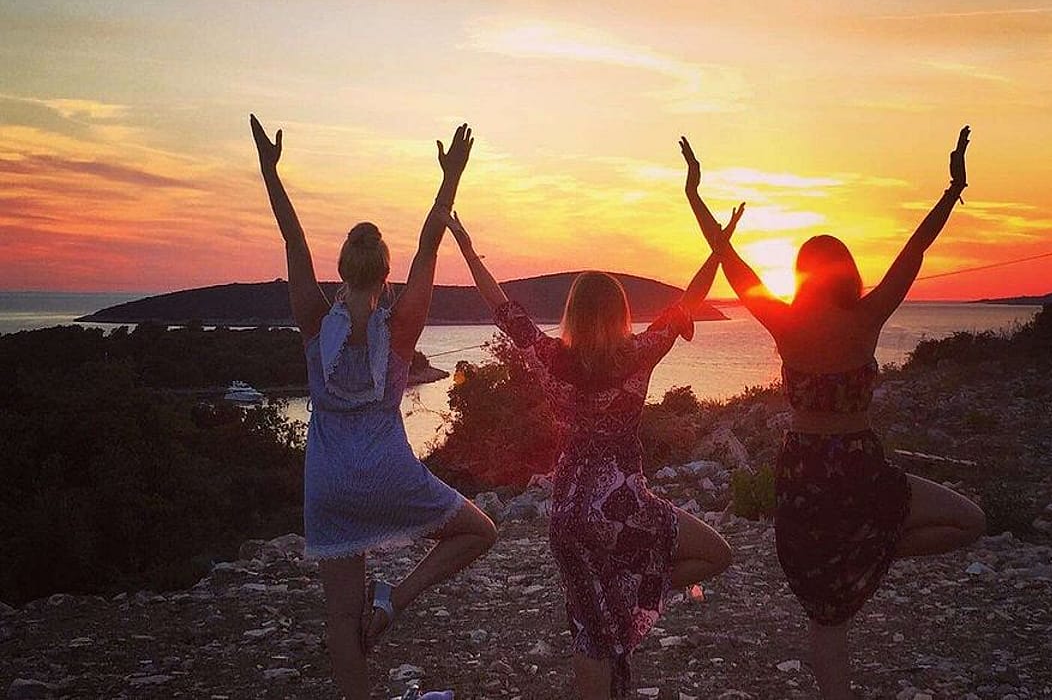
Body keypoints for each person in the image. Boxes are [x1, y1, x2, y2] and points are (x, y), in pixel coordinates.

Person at [683, 127, 986, 699]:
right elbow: (913, 252)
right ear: (846, 272)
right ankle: (871, 551)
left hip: (804, 473)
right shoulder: (866, 317)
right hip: (857, 470)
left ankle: (867, 557)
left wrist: (695, 194)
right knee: (968, 521)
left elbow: (727, 259)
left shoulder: (784, 321)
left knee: (827, 616)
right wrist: (952, 190)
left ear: (802, 274)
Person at [442, 209, 739, 699]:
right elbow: (689, 299)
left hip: (567, 514)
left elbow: (502, 307)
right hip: (624, 506)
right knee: (716, 553)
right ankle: (630, 597)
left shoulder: (550, 357)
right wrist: (718, 248)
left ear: (573, 315)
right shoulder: (638, 353)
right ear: (620, 314)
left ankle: (620, 605)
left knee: (588, 626)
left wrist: (469, 249)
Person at [251, 115, 497, 700]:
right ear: (387, 275)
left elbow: (293, 242)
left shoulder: (316, 325)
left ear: (342, 271)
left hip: (329, 481)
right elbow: (430, 243)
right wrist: (451, 177)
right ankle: (393, 600)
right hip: (388, 470)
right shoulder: (401, 327)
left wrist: (270, 171)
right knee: (478, 531)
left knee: (340, 617)